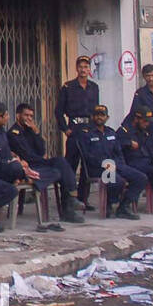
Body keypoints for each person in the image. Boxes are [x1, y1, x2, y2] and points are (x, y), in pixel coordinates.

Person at [0, 101, 68, 231]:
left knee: (56, 172)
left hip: (13, 166)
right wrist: (16, 163)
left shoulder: (1, 131)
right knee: (17, 168)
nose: (8, 118)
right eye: (6, 115)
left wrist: (17, 158)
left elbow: (9, 152)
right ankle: (24, 176)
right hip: (0, 171)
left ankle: (25, 177)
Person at [5, 102, 86, 224]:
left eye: (31, 116)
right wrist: (43, 160)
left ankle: (70, 203)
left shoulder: (30, 130)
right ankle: (69, 206)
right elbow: (27, 155)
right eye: (26, 115)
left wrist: (37, 133)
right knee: (58, 170)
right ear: (18, 116)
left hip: (38, 162)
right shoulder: (14, 133)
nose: (29, 118)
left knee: (61, 162)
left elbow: (41, 150)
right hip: (27, 165)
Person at [75, 104, 147, 219]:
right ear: (92, 117)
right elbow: (88, 156)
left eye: (102, 115)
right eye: (97, 115)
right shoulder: (86, 134)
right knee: (117, 181)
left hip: (116, 166)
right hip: (98, 168)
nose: (99, 118)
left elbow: (118, 153)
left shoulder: (111, 132)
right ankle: (108, 203)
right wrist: (107, 165)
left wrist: (120, 165)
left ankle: (124, 206)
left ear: (107, 118)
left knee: (141, 178)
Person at [57, 55, 99, 207]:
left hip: (90, 130)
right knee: (70, 166)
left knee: (87, 166)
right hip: (74, 129)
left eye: (86, 67)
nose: (83, 70)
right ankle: (67, 200)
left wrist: (97, 129)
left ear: (89, 69)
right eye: (81, 67)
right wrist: (65, 129)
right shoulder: (68, 87)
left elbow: (97, 111)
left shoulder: (94, 87)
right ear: (76, 68)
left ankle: (83, 199)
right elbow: (58, 111)